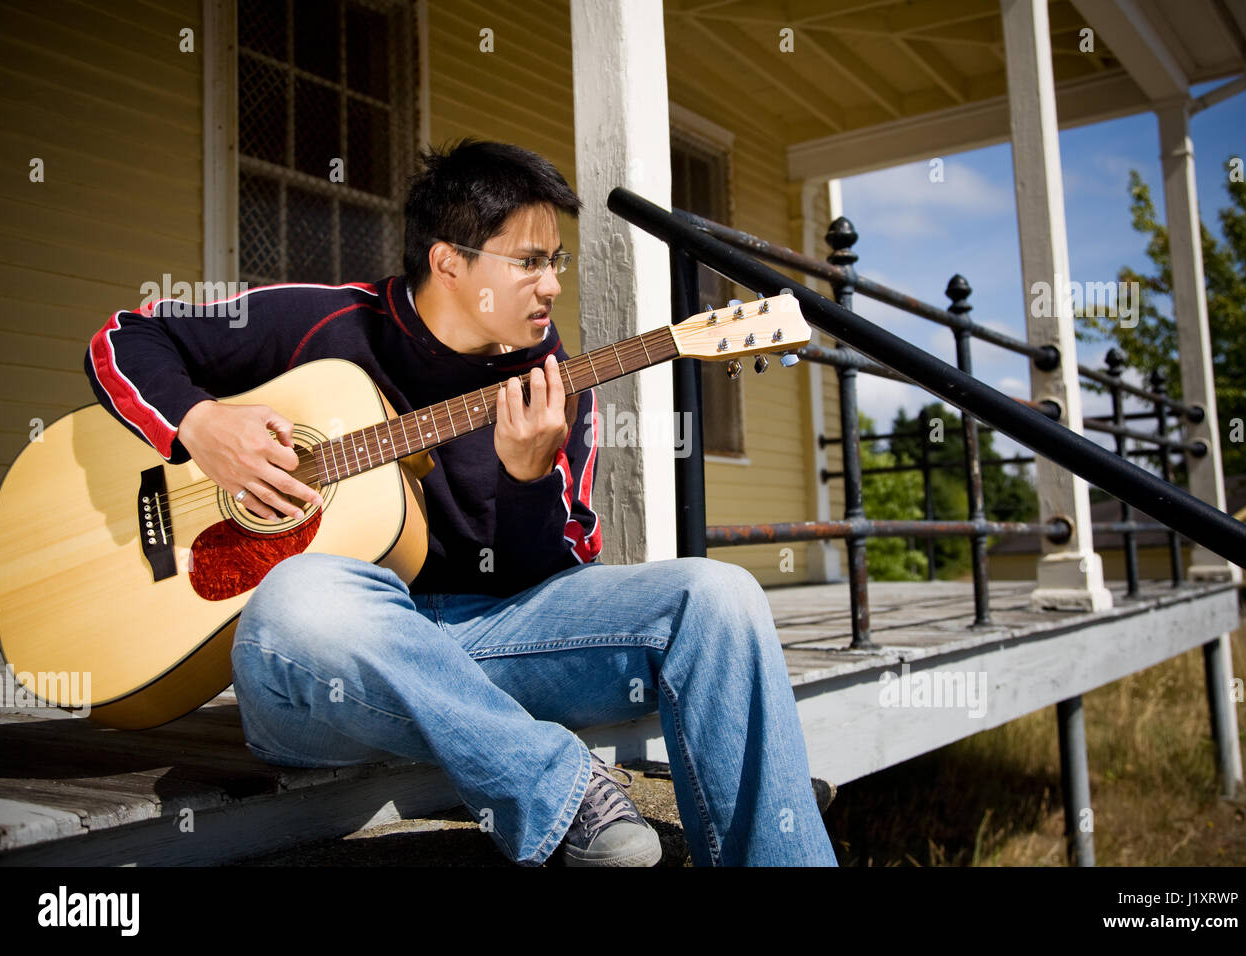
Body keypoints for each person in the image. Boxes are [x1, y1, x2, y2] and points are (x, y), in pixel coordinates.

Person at [83, 137, 837, 867]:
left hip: (486, 647)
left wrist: (526, 478)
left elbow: (554, 577)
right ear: (449, 261)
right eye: (531, 262)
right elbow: (124, 339)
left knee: (720, 594)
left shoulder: (555, 384)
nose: (553, 285)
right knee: (304, 595)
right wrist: (202, 425)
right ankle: (561, 787)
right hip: (327, 676)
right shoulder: (324, 320)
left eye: (557, 262)